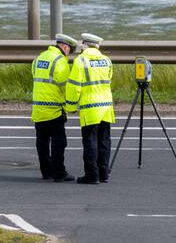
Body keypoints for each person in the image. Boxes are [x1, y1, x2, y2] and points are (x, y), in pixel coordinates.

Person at [66, 32, 115, 184]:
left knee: (90, 142)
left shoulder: (81, 61)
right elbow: (109, 79)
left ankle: (92, 175)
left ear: (85, 45)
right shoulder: (106, 60)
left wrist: (71, 106)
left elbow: (74, 87)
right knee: (104, 141)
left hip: (90, 108)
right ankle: (104, 174)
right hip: (106, 107)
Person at [32, 33, 76, 182]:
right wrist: (72, 105)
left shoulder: (39, 58)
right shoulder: (60, 61)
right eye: (69, 49)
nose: (69, 53)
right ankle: (59, 173)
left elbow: (36, 77)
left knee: (42, 142)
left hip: (38, 109)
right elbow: (66, 87)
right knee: (59, 142)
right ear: (65, 46)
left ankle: (46, 171)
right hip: (55, 110)